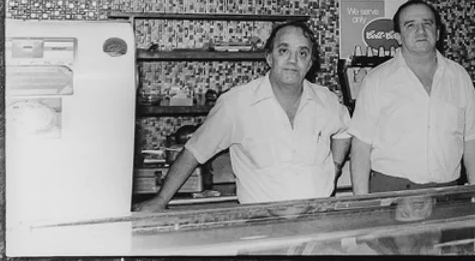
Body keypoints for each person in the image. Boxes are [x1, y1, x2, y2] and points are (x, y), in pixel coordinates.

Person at [134, 21, 351, 211]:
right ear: (269, 57)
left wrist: (336, 166)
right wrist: (161, 199)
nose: (293, 60)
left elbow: (344, 131)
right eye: (283, 51)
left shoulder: (327, 101)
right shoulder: (236, 104)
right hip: (262, 228)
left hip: (318, 224)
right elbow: (194, 151)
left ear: (310, 63)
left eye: (302, 53)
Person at [348, 0, 475, 194]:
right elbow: (360, 148)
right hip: (391, 191)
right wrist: (362, 204)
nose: (421, 31)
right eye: (410, 25)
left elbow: (472, 139)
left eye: (427, 23)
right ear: (398, 36)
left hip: (447, 191)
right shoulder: (376, 80)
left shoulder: (459, 76)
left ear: (438, 33)